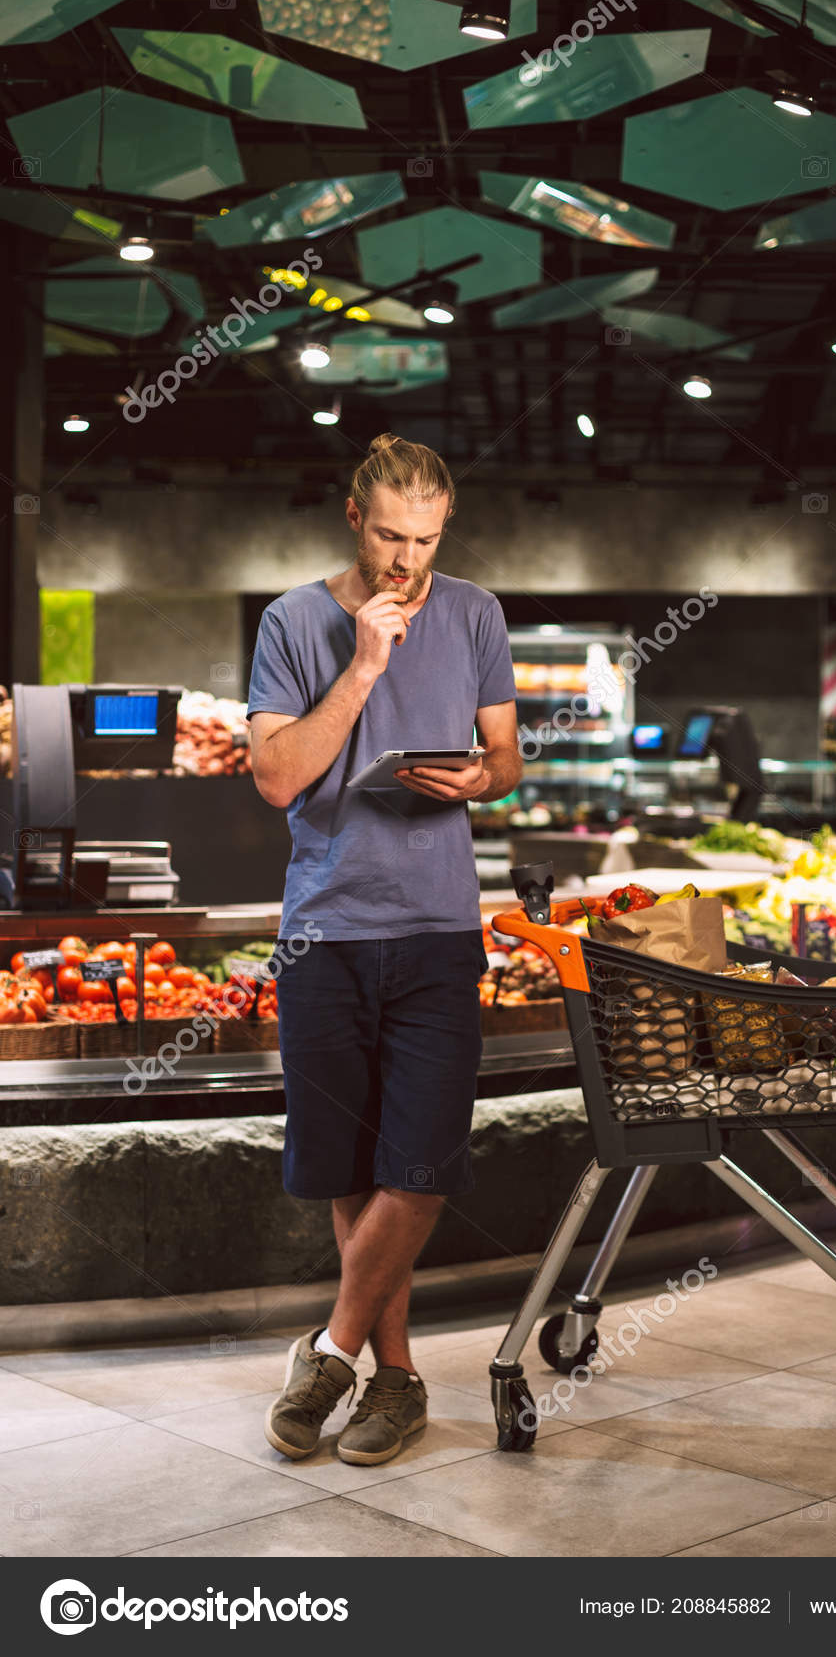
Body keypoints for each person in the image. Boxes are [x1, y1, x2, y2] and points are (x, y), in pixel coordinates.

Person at [248, 432, 520, 1466]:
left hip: (441, 924)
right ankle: (393, 1382)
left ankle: (328, 1349)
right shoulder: (293, 620)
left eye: (428, 538)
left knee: (423, 1161)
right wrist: (364, 661)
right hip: (325, 927)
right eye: (393, 535)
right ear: (354, 518)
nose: (409, 560)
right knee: (351, 1169)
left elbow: (506, 755)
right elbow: (276, 777)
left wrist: (481, 781)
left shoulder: (475, 612)